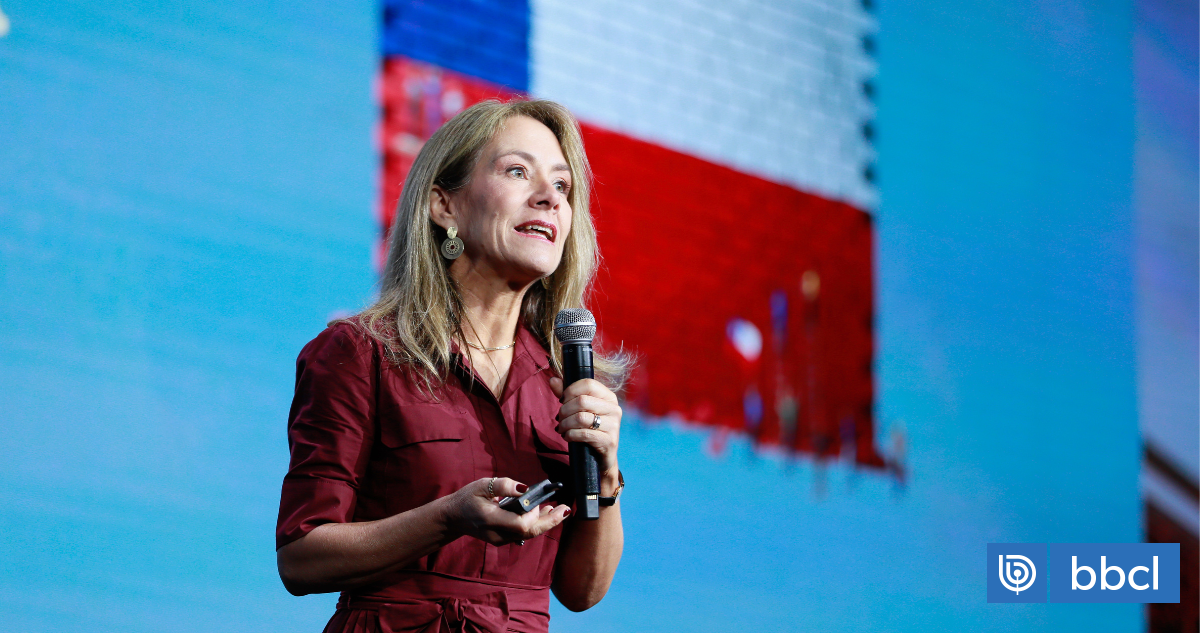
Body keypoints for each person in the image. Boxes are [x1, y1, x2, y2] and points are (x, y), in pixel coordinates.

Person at [275, 99, 630, 633]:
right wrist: (447, 517)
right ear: (444, 205)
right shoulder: (361, 352)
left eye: (562, 187)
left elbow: (582, 591)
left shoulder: (569, 381)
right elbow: (301, 557)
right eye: (517, 172)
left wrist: (604, 474)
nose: (548, 199)